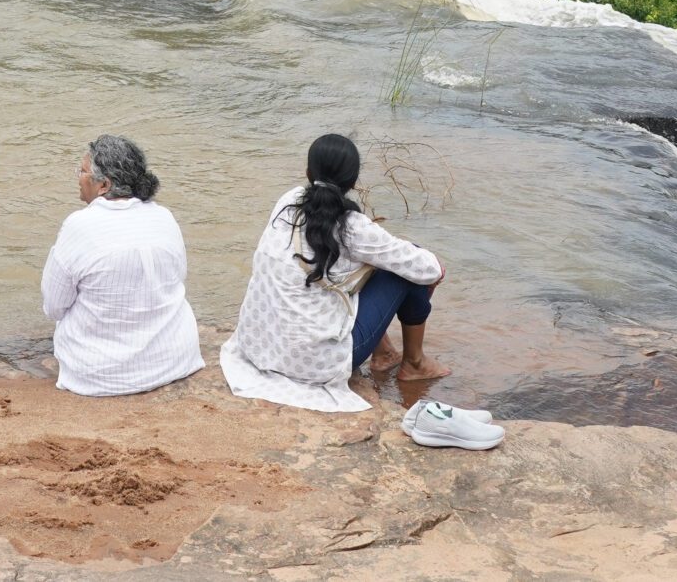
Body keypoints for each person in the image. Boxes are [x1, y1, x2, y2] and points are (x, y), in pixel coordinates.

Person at [219, 133, 502, 448]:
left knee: (361, 269)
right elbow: (430, 269)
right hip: (315, 365)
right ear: (353, 181)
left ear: (308, 172)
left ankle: (385, 354)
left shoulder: (287, 202)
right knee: (407, 267)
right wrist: (425, 262)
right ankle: (415, 363)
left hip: (261, 348)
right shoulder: (351, 225)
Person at [39, 133, 205, 396]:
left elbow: (53, 307)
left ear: (103, 185)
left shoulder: (79, 225)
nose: (78, 178)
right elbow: (178, 277)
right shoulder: (164, 216)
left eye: (81, 171)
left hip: (102, 374)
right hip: (174, 359)